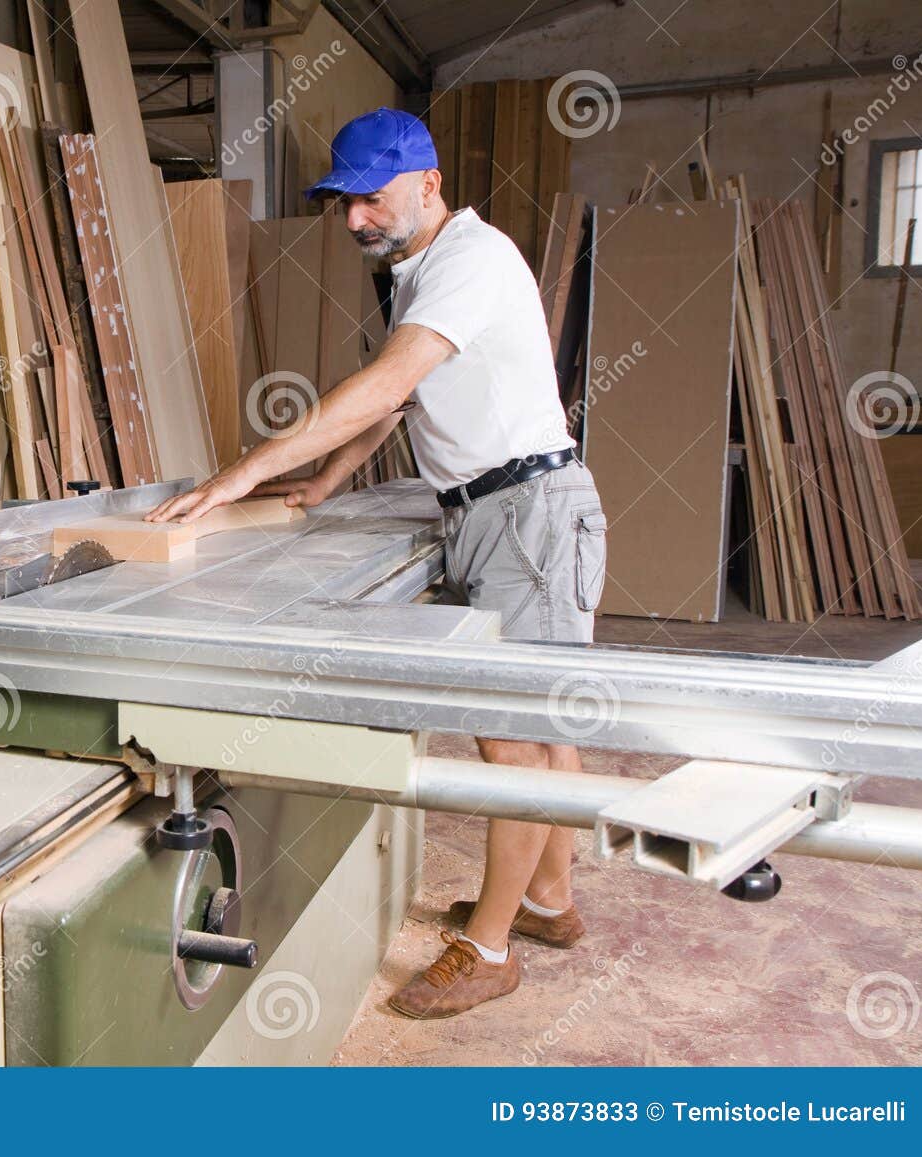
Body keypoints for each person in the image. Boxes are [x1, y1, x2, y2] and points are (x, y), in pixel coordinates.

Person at [146, 107, 608, 1019]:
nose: (355, 219)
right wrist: (323, 479)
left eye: (370, 198)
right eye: (343, 203)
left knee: (515, 738)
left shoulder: (470, 259)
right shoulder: (417, 272)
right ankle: (548, 901)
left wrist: (238, 473)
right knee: (536, 729)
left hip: (529, 512)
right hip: (487, 511)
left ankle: (489, 948)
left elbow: (387, 385)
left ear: (429, 183)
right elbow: (403, 405)